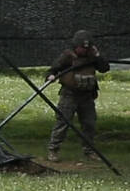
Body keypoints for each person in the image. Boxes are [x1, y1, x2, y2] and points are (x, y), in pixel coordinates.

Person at [45, 29, 110, 162]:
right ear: (76, 46)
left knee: (89, 124)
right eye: (82, 48)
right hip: (69, 95)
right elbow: (53, 69)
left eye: (87, 48)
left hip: (87, 96)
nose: (84, 51)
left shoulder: (93, 56)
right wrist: (51, 76)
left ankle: (89, 151)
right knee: (62, 123)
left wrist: (98, 55)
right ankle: (53, 150)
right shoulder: (67, 56)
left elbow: (104, 68)